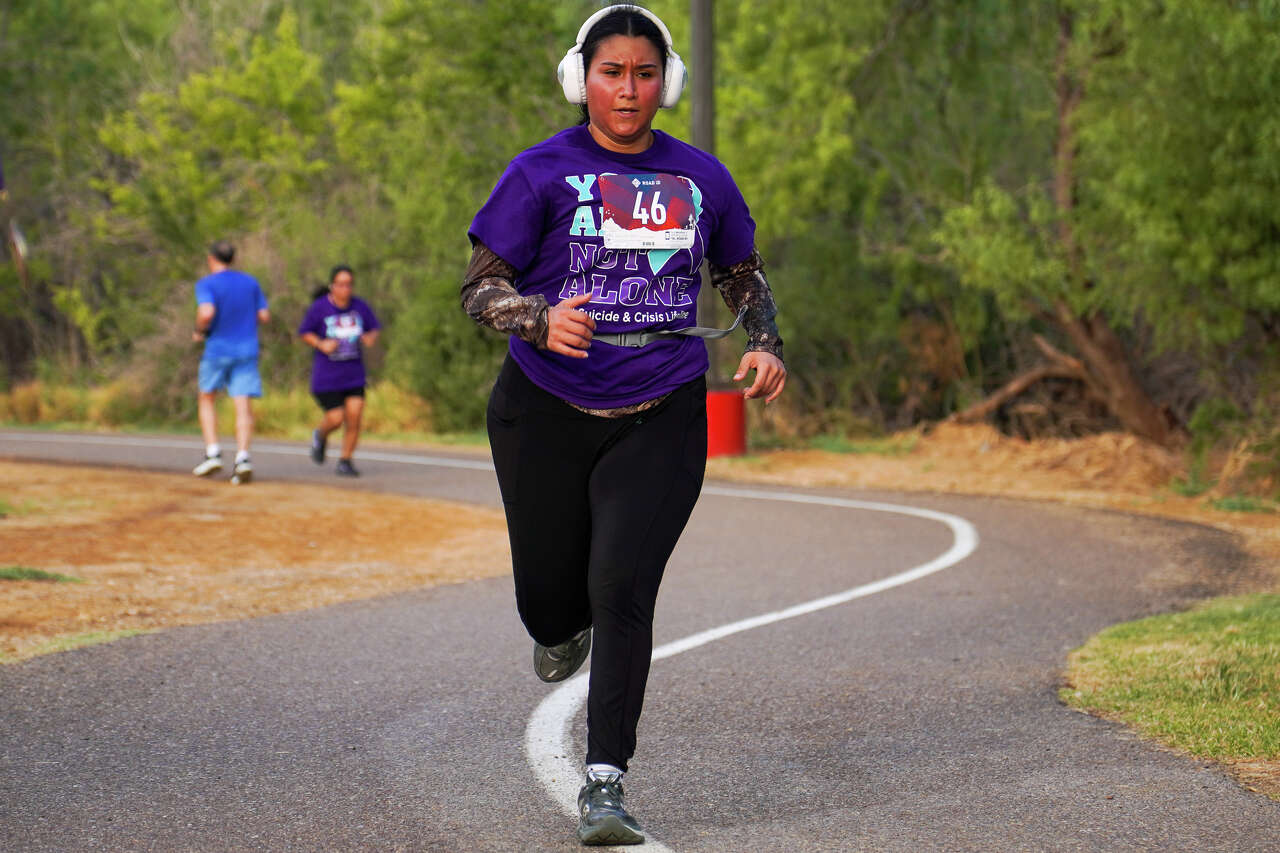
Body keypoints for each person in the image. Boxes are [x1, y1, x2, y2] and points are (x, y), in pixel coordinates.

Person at [462, 5, 785, 845]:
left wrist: (764, 342)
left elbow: (741, 271)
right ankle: (554, 628)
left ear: (665, 82)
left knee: (622, 586)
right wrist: (535, 318)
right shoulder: (537, 173)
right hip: (542, 408)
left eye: (646, 74)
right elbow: (479, 288)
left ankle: (604, 782)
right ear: (583, 79)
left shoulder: (703, 178)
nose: (630, 90)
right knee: (550, 600)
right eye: (613, 73)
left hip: (662, 408)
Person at [192, 240, 270, 485]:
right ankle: (243, 457)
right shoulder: (250, 282)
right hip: (246, 349)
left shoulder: (207, 284)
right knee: (242, 403)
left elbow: (206, 312)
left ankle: (213, 452)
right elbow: (264, 316)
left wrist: (200, 331)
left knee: (207, 397)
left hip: (218, 349)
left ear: (211, 258)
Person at [297, 264, 381, 477]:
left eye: (349, 284)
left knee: (354, 416)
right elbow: (305, 332)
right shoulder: (319, 308)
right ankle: (321, 435)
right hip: (327, 377)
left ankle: (345, 460)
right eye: (341, 284)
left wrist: (369, 338)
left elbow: (374, 329)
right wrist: (321, 344)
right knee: (336, 418)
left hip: (354, 374)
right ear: (332, 286)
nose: (346, 289)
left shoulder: (360, 307)